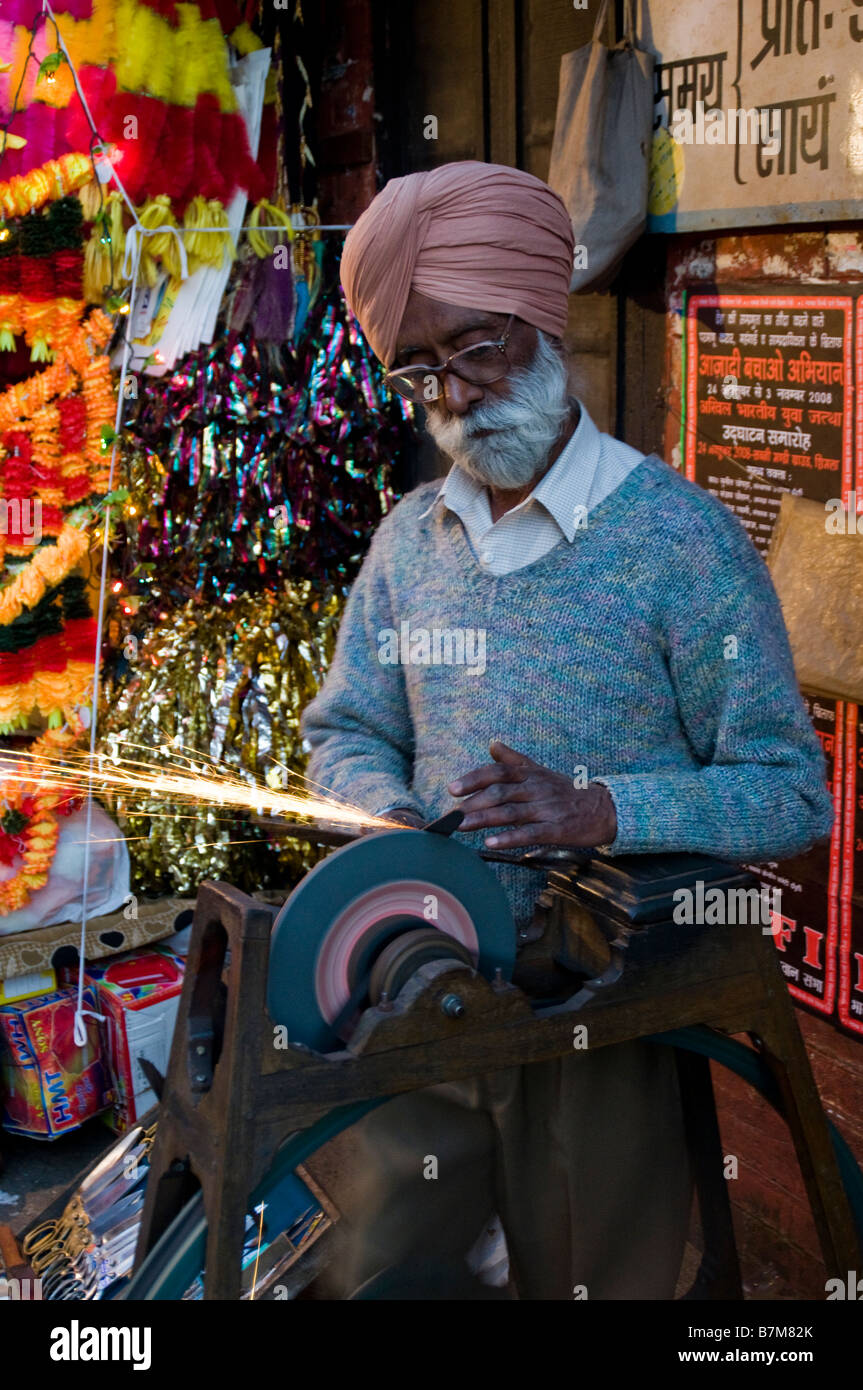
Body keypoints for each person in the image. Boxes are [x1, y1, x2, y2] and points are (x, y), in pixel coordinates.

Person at [299, 161, 834, 1299]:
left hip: (611, 1006)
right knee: (390, 1265)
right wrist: (392, 818)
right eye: (417, 368)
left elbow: (789, 793)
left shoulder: (678, 545)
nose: (449, 395)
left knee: (597, 1274)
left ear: (540, 321)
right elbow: (346, 731)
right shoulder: (408, 544)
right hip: (430, 984)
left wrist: (600, 809)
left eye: (474, 349)